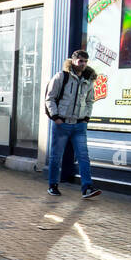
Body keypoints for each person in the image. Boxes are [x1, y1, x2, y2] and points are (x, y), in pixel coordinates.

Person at [45, 50, 101, 199]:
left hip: (79, 126)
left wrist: (86, 118)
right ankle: (53, 185)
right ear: (73, 61)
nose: (83, 64)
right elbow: (49, 98)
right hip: (61, 124)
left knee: (83, 156)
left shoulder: (89, 80)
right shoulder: (61, 77)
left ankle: (87, 188)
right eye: (80, 61)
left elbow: (90, 101)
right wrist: (55, 117)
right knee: (56, 156)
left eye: (85, 61)